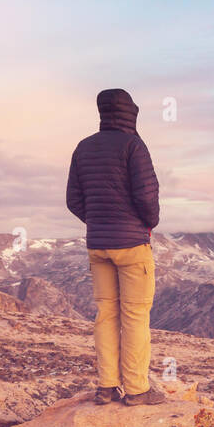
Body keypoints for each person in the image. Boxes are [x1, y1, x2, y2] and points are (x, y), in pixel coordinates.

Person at [66, 88, 165, 405]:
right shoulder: (133, 146)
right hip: (132, 245)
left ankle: (106, 386)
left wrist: (98, 221)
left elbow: (73, 200)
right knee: (135, 316)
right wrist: (146, 224)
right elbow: (147, 197)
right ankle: (137, 390)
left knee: (106, 314)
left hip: (98, 246)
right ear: (130, 112)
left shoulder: (83, 148)